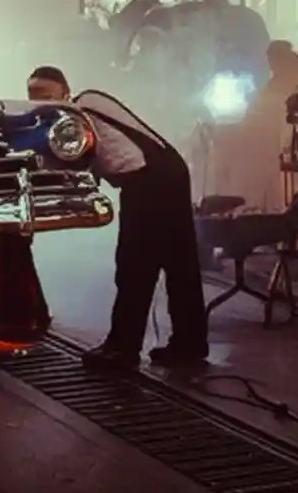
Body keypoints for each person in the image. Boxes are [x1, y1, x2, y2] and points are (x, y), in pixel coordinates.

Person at [27, 65, 208, 370]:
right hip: (169, 170)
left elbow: (69, 167)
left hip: (148, 179)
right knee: (179, 265)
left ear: (65, 92)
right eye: (32, 95)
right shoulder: (86, 105)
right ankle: (189, 344)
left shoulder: (76, 114)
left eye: (45, 94)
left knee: (134, 266)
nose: (38, 101)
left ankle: (122, 349)